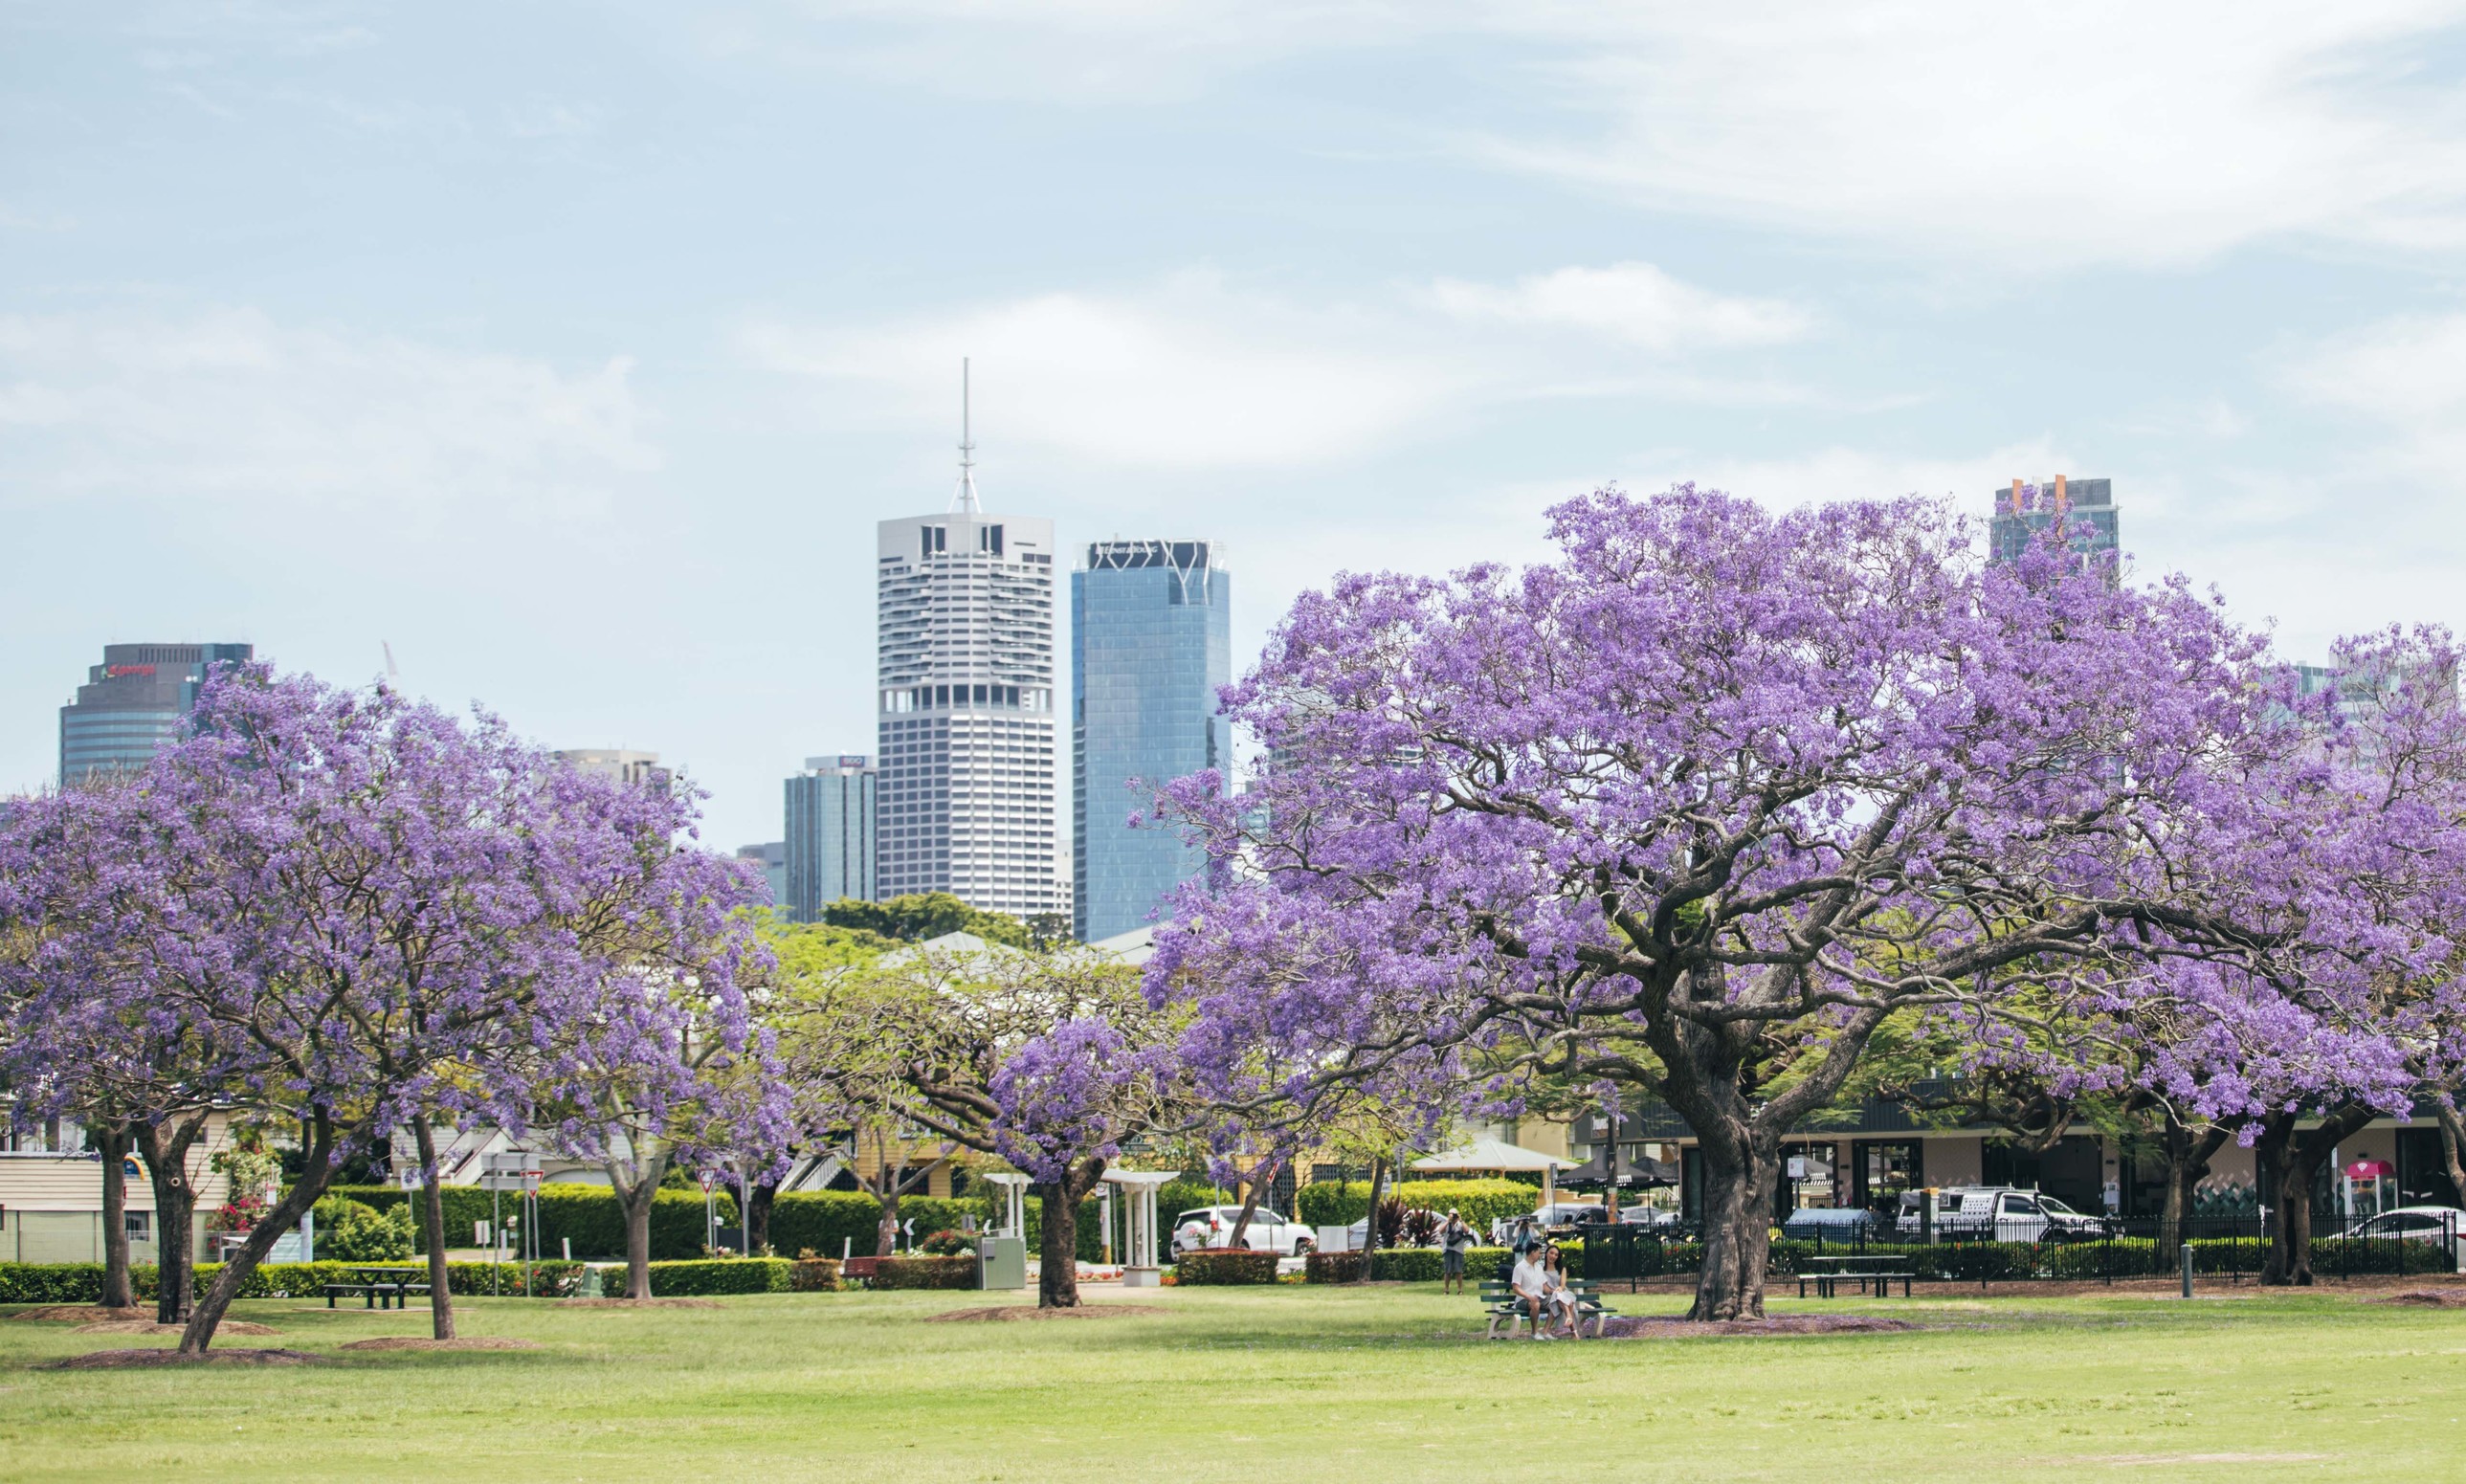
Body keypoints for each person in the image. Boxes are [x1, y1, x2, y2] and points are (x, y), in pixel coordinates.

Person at [1509, 1244, 1554, 1340]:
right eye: (1539, 1252)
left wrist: (1553, 1291)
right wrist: (1529, 1297)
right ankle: (1534, 1332)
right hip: (1523, 1300)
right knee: (1535, 1304)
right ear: (1533, 1252)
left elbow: (1544, 1287)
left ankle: (1546, 1331)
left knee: (1555, 1302)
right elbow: (1516, 1288)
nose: (1540, 1255)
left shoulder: (1538, 1267)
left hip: (1539, 1297)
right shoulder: (1519, 1267)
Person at [1542, 1243, 1582, 1337]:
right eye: (1551, 1253)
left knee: (1560, 1296)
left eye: (1556, 1255)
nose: (1553, 1256)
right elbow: (1544, 1288)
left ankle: (1545, 1331)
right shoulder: (1540, 1270)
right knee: (1566, 1302)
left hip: (1563, 1293)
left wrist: (1559, 1288)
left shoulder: (1561, 1269)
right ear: (1546, 1253)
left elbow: (1562, 1285)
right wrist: (1553, 1291)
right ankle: (1573, 1331)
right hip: (1550, 1295)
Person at [1439, 1207, 1476, 1296]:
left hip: (1458, 1250)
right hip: (1448, 1249)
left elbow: (1467, 1231)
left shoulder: (1460, 1224)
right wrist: (1448, 1221)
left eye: (1455, 1214)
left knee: (1458, 1270)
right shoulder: (1447, 1224)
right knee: (1447, 1271)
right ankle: (1446, 1289)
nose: (1453, 1216)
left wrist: (1461, 1220)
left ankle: (1460, 1289)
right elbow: (1441, 1231)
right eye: (1451, 1214)